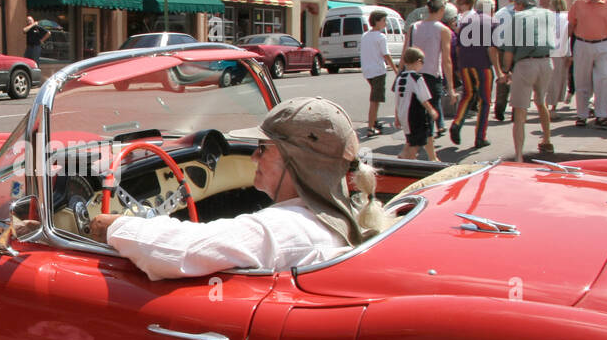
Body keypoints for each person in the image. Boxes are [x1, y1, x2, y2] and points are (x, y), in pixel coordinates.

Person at [87, 98, 390, 280]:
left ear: (294, 161)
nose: (254, 157)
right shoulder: (338, 213)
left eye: (264, 148)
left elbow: (181, 251)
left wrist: (115, 226)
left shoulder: (284, 229)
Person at [500, 0, 556, 162]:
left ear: (520, 3)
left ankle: (518, 155)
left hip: (525, 64)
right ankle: (547, 139)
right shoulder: (548, 14)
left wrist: (505, 70)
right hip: (546, 62)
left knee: (520, 111)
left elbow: (509, 51)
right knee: (541, 102)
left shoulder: (517, 18)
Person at [567, 0, 607, 128]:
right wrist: (566, 48)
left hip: (603, 44)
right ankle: (582, 115)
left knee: (603, 79)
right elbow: (571, 25)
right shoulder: (578, 3)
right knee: (581, 80)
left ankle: (601, 115)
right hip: (582, 43)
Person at [403, 0, 455, 138]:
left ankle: (414, 146)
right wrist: (450, 88)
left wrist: (400, 71)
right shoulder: (444, 30)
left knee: (415, 113)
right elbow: (447, 60)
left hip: (413, 74)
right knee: (429, 117)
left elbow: (406, 53)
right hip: (432, 75)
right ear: (442, 9)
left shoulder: (414, 27)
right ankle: (427, 151)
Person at [450, 0, 498, 149]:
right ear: (491, 9)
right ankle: (480, 137)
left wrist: (458, 67)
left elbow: (458, 47)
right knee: (484, 101)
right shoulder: (492, 22)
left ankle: (457, 123)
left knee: (468, 95)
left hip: (465, 64)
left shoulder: (466, 21)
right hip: (482, 65)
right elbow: (492, 49)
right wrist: (499, 70)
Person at [393, 47, 439, 161]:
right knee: (416, 142)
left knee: (420, 136)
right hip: (415, 114)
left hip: (404, 114)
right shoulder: (417, 78)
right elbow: (423, 98)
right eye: (422, 63)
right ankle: (407, 158)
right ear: (418, 61)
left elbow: (397, 99)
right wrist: (431, 110)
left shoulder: (400, 78)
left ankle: (433, 158)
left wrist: (397, 117)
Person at [359, 10, 397, 136]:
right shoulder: (381, 37)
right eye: (384, 20)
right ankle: (370, 127)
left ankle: (374, 122)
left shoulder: (365, 36)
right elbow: (386, 54)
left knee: (376, 98)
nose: (385, 23)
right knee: (375, 100)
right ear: (376, 21)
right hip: (378, 70)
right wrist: (395, 69)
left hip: (368, 71)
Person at [546, 0, 572, 115]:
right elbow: (568, 37)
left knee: (547, 80)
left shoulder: (546, 16)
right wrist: (568, 53)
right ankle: (553, 107)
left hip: (546, 51)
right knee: (558, 80)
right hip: (560, 52)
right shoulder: (567, 18)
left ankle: (545, 104)